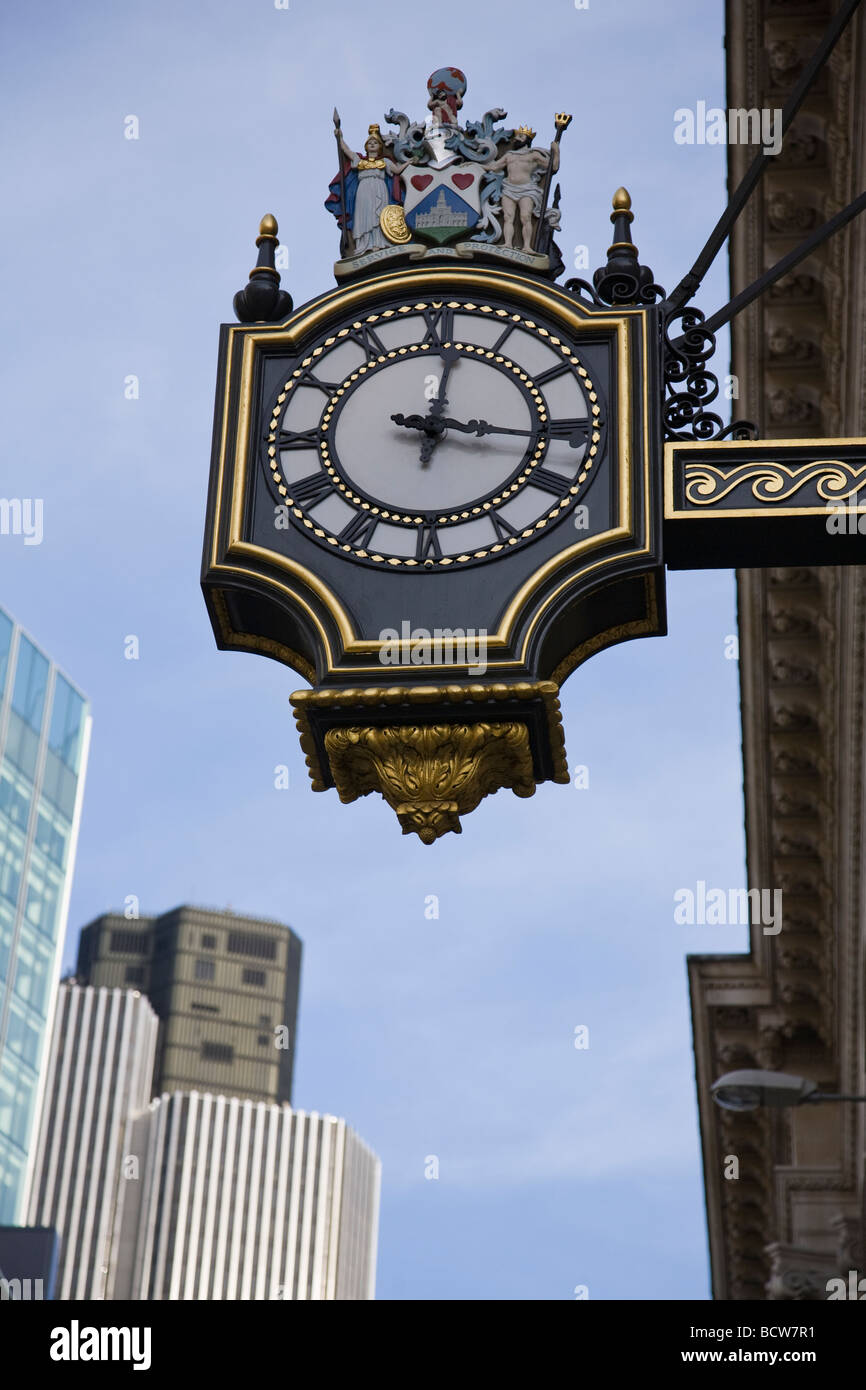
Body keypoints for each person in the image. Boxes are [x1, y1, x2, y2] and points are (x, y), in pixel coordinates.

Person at [326, 124, 408, 256]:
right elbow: (346, 150)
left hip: (379, 189)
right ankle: (363, 245)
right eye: (370, 142)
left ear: (379, 146)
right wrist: (339, 136)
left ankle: (379, 243)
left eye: (375, 142)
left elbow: (397, 170)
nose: (372, 144)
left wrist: (409, 162)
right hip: (363, 190)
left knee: (378, 215)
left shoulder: (385, 162)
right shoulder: (359, 161)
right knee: (364, 216)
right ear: (366, 146)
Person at [487, 127, 560, 252]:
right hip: (509, 188)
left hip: (527, 189)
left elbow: (552, 166)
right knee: (508, 217)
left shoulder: (533, 155)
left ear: (527, 140)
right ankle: (508, 244)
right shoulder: (509, 155)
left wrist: (556, 150)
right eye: (516, 137)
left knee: (525, 217)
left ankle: (527, 246)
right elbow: (494, 167)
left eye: (520, 137)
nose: (516, 139)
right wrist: (475, 165)